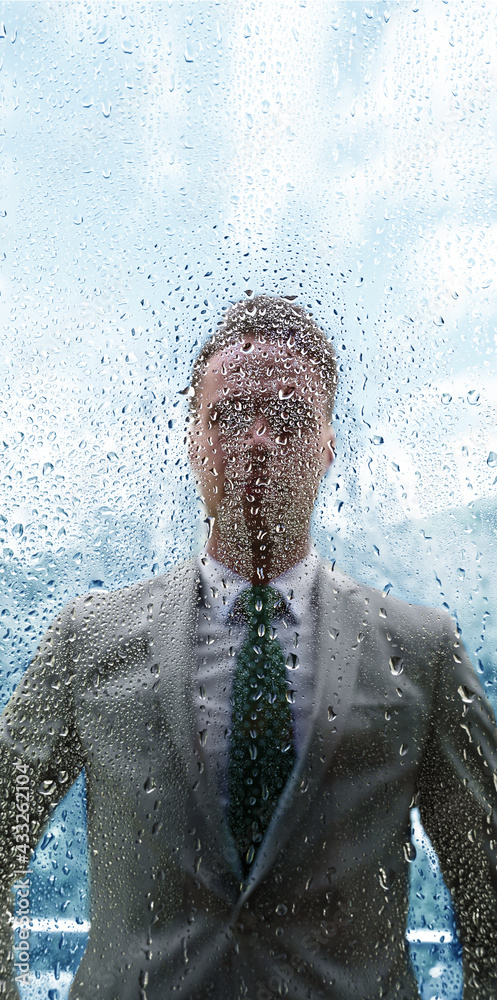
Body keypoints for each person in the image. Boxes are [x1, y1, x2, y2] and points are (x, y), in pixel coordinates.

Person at [1, 294, 497, 1000]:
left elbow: (486, 886)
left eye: (289, 418)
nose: (258, 440)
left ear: (328, 445)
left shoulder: (422, 651)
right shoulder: (88, 641)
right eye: (230, 416)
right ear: (192, 438)